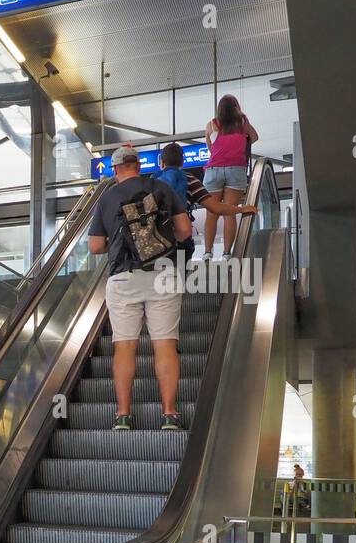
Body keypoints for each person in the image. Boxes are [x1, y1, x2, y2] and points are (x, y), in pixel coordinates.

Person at [88, 145, 192, 431]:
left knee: (124, 347)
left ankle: (123, 416)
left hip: (123, 277)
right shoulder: (160, 187)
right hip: (163, 274)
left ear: (115, 169)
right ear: (139, 165)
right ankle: (169, 415)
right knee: (165, 344)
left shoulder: (108, 198)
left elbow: (96, 245)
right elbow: (184, 230)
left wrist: (118, 242)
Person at [156, 142, 259, 261]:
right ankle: (224, 253)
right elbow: (215, 207)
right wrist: (241, 209)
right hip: (180, 239)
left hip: (156, 241)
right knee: (179, 275)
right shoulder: (190, 180)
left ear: (162, 163)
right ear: (182, 162)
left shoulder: (151, 183)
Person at [203, 95, 258, 261]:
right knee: (230, 212)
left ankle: (207, 252)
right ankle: (227, 253)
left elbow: (211, 148)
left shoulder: (212, 124)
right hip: (236, 169)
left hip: (214, 169)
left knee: (212, 213)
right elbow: (254, 137)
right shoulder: (242, 123)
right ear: (236, 107)